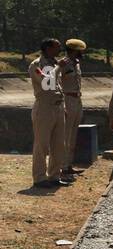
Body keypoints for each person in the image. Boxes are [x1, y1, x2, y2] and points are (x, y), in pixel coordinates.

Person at [29, 38, 69, 188]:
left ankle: (54, 176)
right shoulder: (36, 65)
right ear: (47, 48)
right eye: (56, 47)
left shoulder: (54, 63)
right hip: (44, 108)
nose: (59, 50)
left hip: (57, 107)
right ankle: (39, 178)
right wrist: (59, 67)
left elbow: (57, 86)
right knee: (42, 145)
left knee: (58, 144)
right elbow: (48, 83)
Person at [59, 39, 87, 179]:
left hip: (77, 99)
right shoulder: (62, 64)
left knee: (73, 134)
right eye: (79, 50)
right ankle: (62, 166)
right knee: (66, 134)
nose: (81, 53)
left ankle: (69, 165)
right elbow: (57, 80)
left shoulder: (76, 64)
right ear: (73, 50)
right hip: (68, 99)